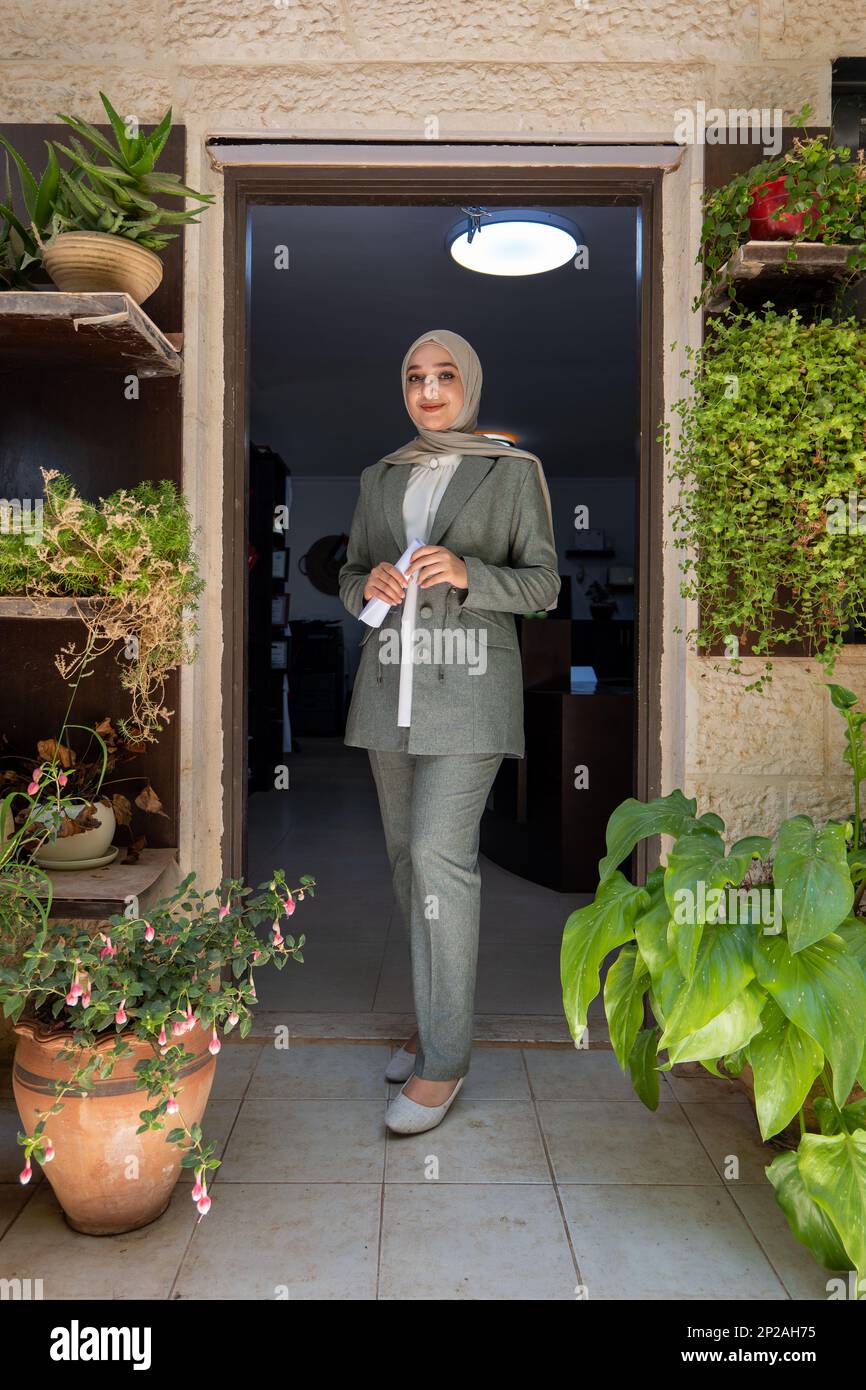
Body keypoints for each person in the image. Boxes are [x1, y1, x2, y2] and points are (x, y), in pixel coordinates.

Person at [338, 328, 560, 1134]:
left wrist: (470, 574)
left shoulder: (513, 472)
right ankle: (434, 1023)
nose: (429, 391)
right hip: (387, 693)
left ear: (470, 382)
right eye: (415, 377)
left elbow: (543, 586)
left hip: (470, 694)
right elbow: (347, 572)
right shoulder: (378, 476)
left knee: (439, 856)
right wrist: (366, 579)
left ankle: (445, 1063)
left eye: (444, 377)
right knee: (407, 865)